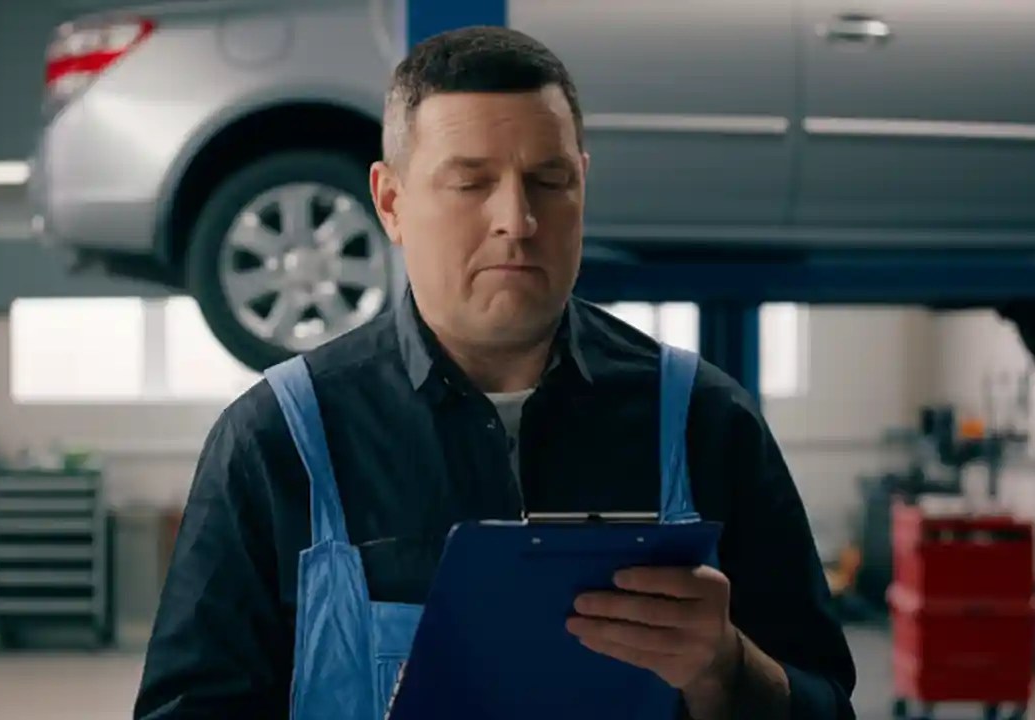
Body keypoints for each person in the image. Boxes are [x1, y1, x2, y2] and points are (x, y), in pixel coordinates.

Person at [135, 26, 856, 720]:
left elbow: (825, 702)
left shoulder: (706, 420)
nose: (517, 219)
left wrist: (725, 669)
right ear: (390, 202)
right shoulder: (273, 445)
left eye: (549, 180)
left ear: (583, 184)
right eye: (470, 183)